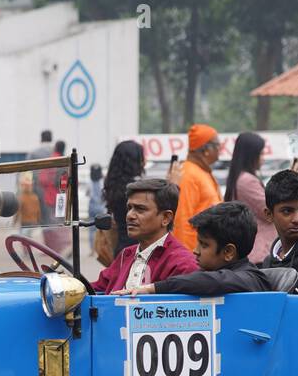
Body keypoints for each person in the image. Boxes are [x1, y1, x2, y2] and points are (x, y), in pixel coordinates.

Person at [122, 202, 271, 296]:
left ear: (228, 252)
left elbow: (215, 281)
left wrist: (153, 288)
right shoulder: (209, 274)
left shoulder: (250, 278)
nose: (196, 251)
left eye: (204, 245)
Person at [93, 178, 198, 294]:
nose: (130, 215)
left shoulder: (183, 264)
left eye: (140, 209)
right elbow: (92, 289)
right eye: (129, 208)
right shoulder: (126, 254)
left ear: (166, 218)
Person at [223, 131, 276, 263]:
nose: (263, 158)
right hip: (259, 253)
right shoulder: (247, 181)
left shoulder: (239, 178)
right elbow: (270, 210)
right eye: (261, 154)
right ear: (251, 155)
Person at [171, 123, 223, 253]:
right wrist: (188, 258)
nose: (220, 149)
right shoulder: (188, 175)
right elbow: (182, 221)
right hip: (195, 254)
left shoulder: (201, 171)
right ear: (206, 150)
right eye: (217, 145)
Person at [102, 140, 146, 253]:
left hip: (121, 247)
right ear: (133, 161)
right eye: (142, 157)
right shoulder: (134, 191)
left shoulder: (114, 187)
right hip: (135, 250)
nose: (145, 161)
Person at [86, 163, 105, 244]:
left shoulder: (89, 182)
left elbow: (87, 194)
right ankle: (101, 246)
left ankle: (92, 249)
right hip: (101, 207)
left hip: (92, 207)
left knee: (91, 229)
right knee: (102, 229)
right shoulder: (103, 181)